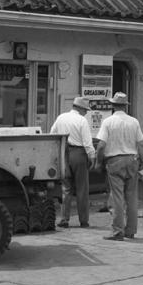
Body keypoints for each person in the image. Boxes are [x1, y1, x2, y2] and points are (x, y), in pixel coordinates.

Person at [96, 91, 143, 241]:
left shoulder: (108, 122)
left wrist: (99, 162)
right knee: (131, 196)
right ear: (125, 106)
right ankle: (131, 231)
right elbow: (141, 145)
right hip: (132, 160)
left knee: (117, 197)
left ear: (113, 105)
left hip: (114, 161)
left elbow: (100, 145)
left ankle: (118, 232)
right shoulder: (134, 121)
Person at [49, 96, 96, 228]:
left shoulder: (61, 117)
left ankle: (64, 219)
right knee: (82, 189)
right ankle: (83, 220)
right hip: (79, 154)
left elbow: (52, 134)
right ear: (80, 108)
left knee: (66, 188)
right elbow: (87, 142)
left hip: (64, 153)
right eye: (85, 109)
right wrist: (92, 157)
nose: (86, 112)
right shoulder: (82, 121)